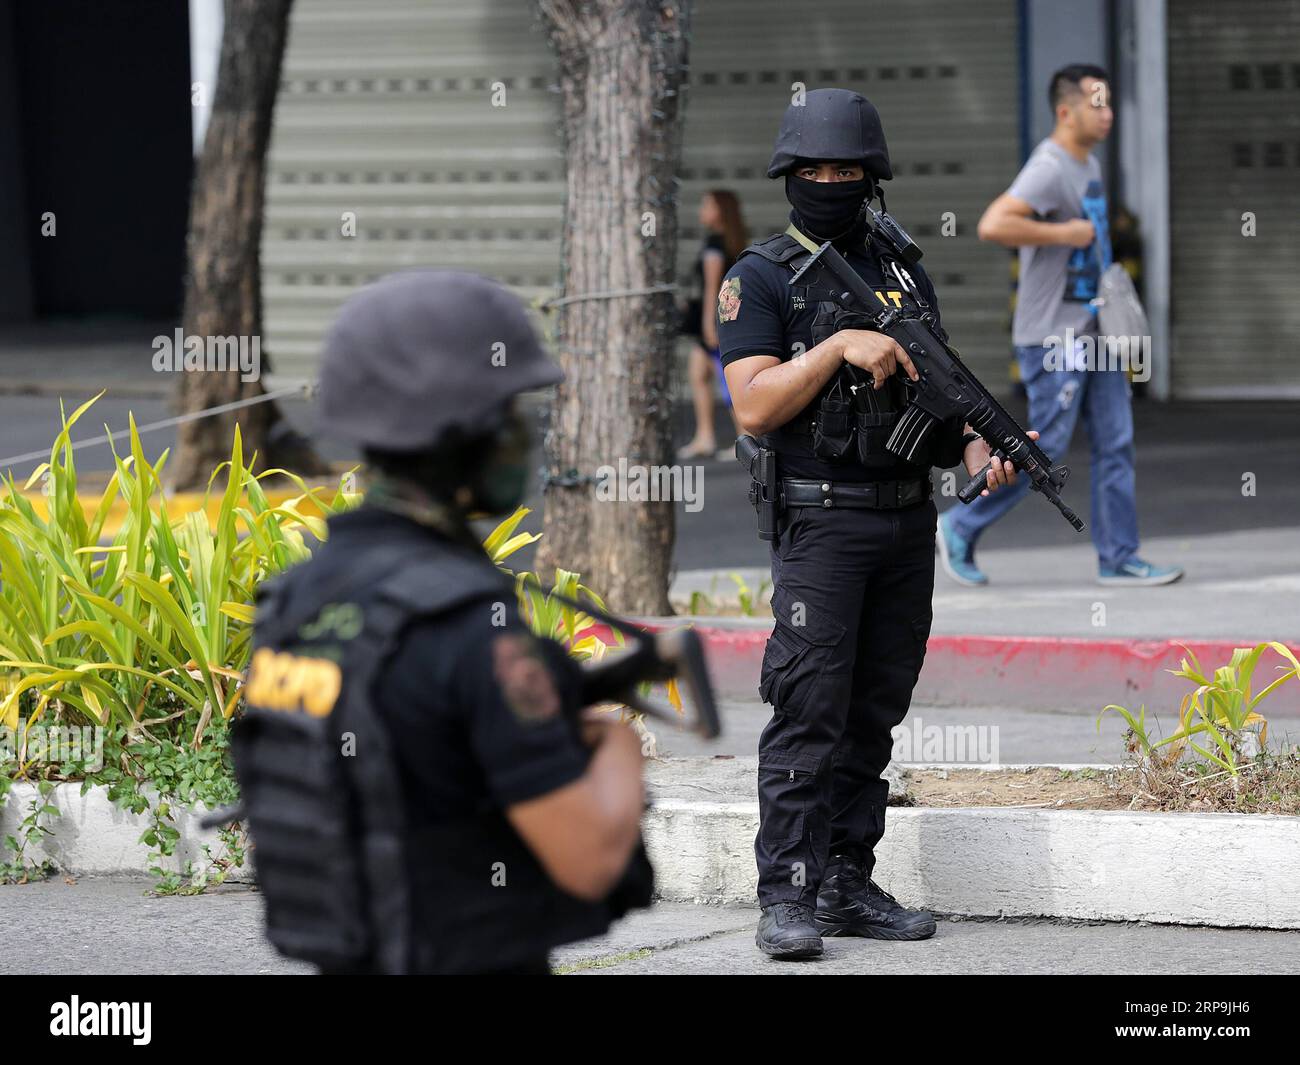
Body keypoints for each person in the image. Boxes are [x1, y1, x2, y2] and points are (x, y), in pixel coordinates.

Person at [233, 269, 651, 974]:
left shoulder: (297, 598)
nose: (521, 436)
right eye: (509, 413)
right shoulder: (472, 627)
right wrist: (615, 742)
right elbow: (588, 858)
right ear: (465, 435)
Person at [718, 89, 1029, 958]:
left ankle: (847, 881)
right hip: (821, 525)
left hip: (904, 523)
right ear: (790, 176)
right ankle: (788, 894)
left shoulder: (902, 268)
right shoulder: (760, 277)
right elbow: (752, 404)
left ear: (872, 176)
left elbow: (943, 390)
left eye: (845, 170)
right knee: (808, 708)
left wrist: (982, 446)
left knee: (872, 715)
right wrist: (834, 346)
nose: (829, 182)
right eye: (813, 170)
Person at [938, 64, 1183, 588]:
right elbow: (993, 224)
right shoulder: (1049, 167)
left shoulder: (1086, 163)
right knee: (1039, 451)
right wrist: (1065, 233)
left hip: (1096, 335)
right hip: (1055, 337)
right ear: (1065, 111)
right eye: (1097, 103)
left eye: (1109, 103)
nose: (1108, 113)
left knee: (1116, 443)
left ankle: (1119, 557)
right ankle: (958, 525)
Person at [678, 190, 748, 460]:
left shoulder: (715, 247)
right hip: (720, 319)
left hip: (713, 324)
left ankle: (745, 438)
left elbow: (712, 289)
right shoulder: (731, 243)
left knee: (727, 380)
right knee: (698, 374)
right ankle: (705, 436)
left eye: (707, 205)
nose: (702, 210)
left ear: (720, 211)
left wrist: (710, 325)